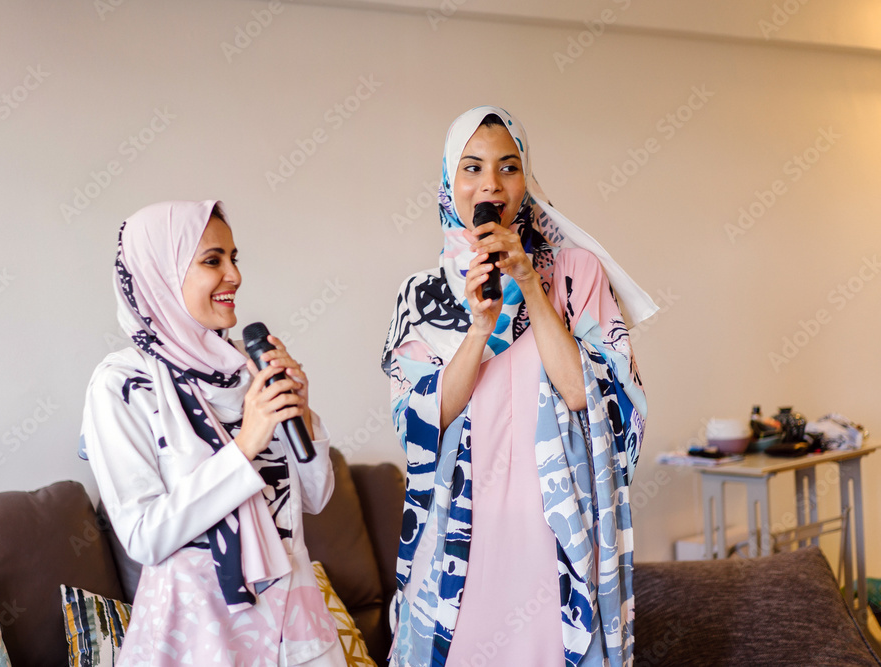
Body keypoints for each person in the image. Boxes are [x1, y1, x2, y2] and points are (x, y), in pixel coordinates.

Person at [381, 107, 658, 667]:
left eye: (508, 167)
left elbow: (592, 397)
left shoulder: (575, 273)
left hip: (556, 532)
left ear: (525, 180)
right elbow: (421, 423)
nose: (491, 184)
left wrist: (530, 283)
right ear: (448, 182)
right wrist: (479, 327)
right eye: (472, 167)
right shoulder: (421, 296)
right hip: (460, 537)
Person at [80, 200, 345, 666]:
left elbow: (315, 497)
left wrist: (301, 412)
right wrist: (245, 447)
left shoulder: (251, 364)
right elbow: (144, 535)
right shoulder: (123, 384)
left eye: (233, 258)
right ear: (160, 275)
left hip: (295, 631)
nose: (234, 275)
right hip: (199, 637)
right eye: (211, 261)